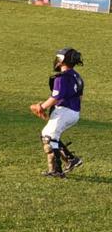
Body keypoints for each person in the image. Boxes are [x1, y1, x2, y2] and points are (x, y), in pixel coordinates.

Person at [35, 48, 84, 179]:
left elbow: (57, 96)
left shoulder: (61, 78)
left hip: (64, 112)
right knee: (50, 135)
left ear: (62, 60)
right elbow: (79, 97)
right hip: (74, 112)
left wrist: (41, 107)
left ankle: (58, 170)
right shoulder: (77, 76)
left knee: (48, 137)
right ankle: (70, 159)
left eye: (58, 58)